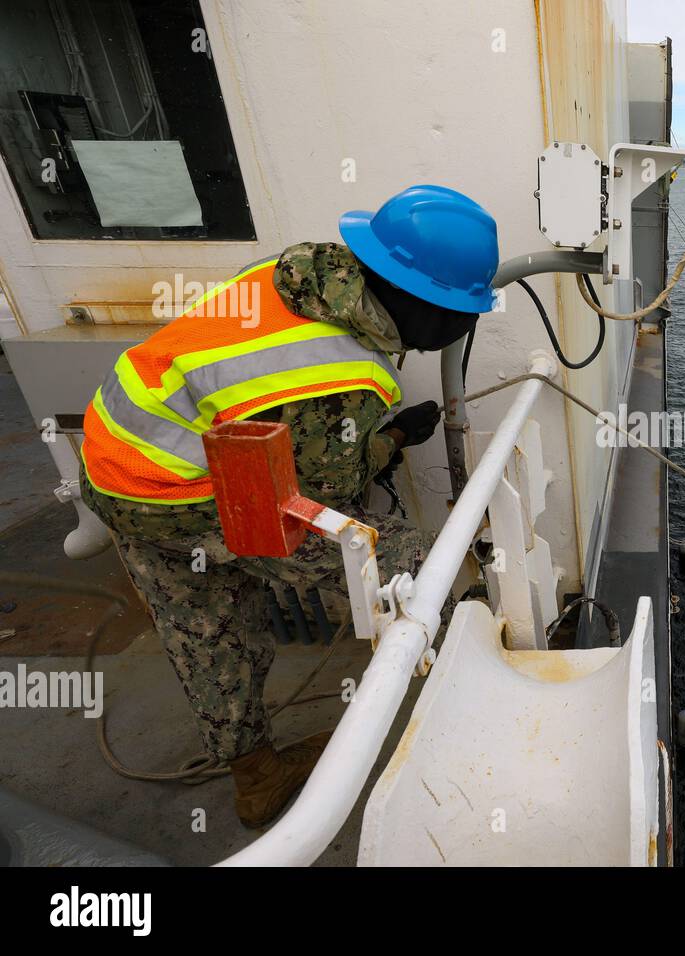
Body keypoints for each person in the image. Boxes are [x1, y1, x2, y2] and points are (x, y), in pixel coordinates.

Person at [79, 185, 498, 827]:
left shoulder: (287, 277)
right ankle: (483, 705)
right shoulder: (342, 373)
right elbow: (323, 505)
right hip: (188, 495)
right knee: (426, 562)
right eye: (458, 312)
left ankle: (256, 778)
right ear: (420, 303)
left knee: (204, 633)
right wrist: (390, 439)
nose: (462, 326)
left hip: (113, 463)